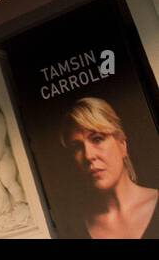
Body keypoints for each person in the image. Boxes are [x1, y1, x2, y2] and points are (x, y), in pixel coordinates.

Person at [60, 97, 159, 239]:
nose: (88, 155)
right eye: (77, 147)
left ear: (122, 144)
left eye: (97, 139)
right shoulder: (74, 229)